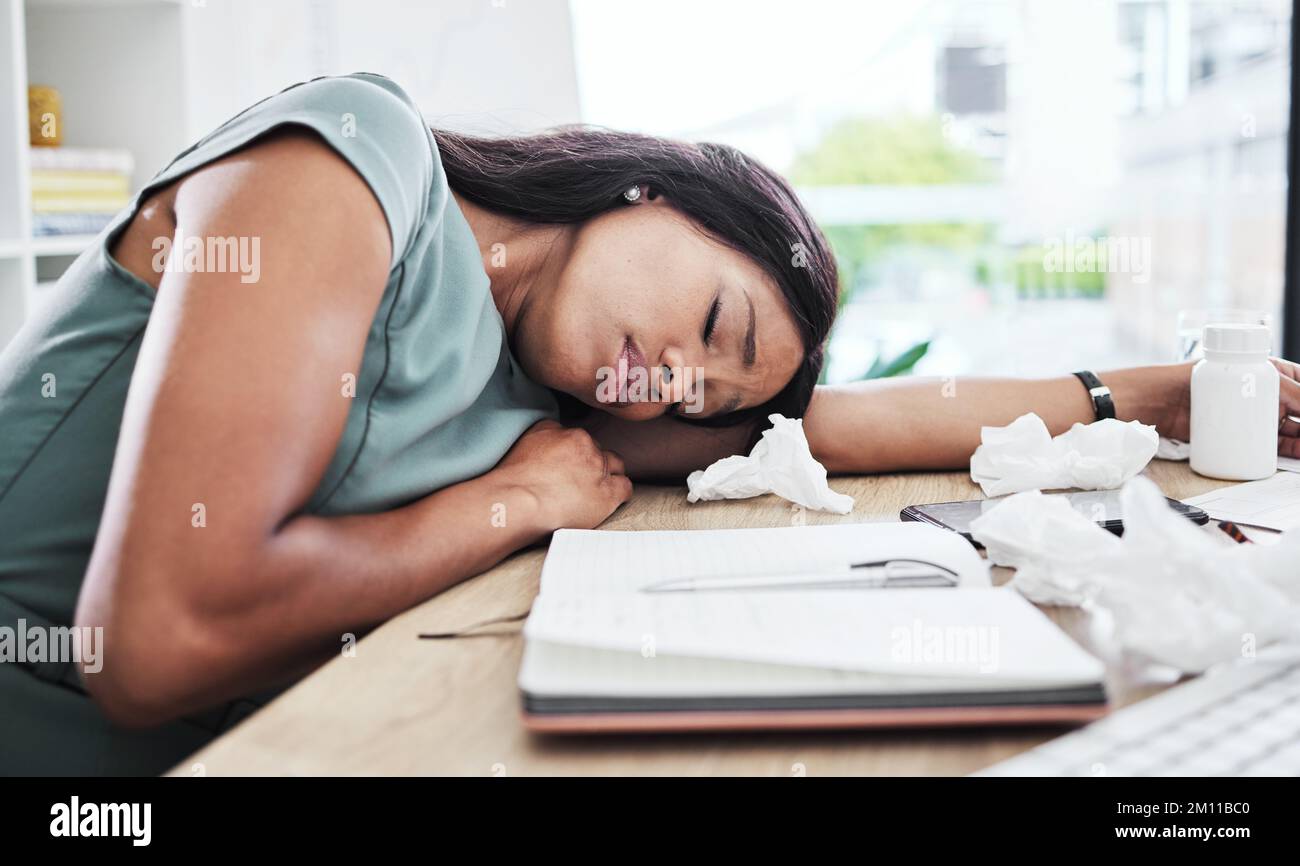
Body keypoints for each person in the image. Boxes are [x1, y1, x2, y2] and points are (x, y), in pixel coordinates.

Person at [1, 74, 1297, 774]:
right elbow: (157, 645)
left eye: (704, 399)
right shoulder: (347, 164)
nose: (671, 389)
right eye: (715, 333)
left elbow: (845, 424)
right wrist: (509, 504)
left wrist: (1147, 392)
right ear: (657, 188)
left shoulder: (546, 389)